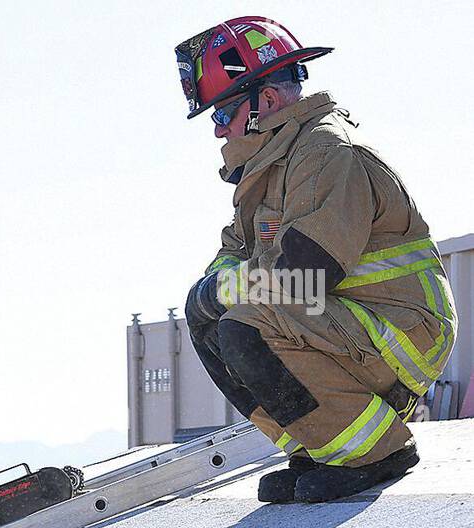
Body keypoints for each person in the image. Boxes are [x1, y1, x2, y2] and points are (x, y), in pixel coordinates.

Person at [177, 17, 457, 502]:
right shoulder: (269, 171)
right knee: (210, 321)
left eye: (222, 113)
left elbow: (306, 273)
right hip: (343, 326)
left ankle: (374, 453)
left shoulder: (326, 153)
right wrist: (210, 292)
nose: (218, 130)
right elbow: (233, 253)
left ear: (264, 102)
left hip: (401, 329)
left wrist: (222, 291)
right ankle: (321, 447)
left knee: (245, 323)